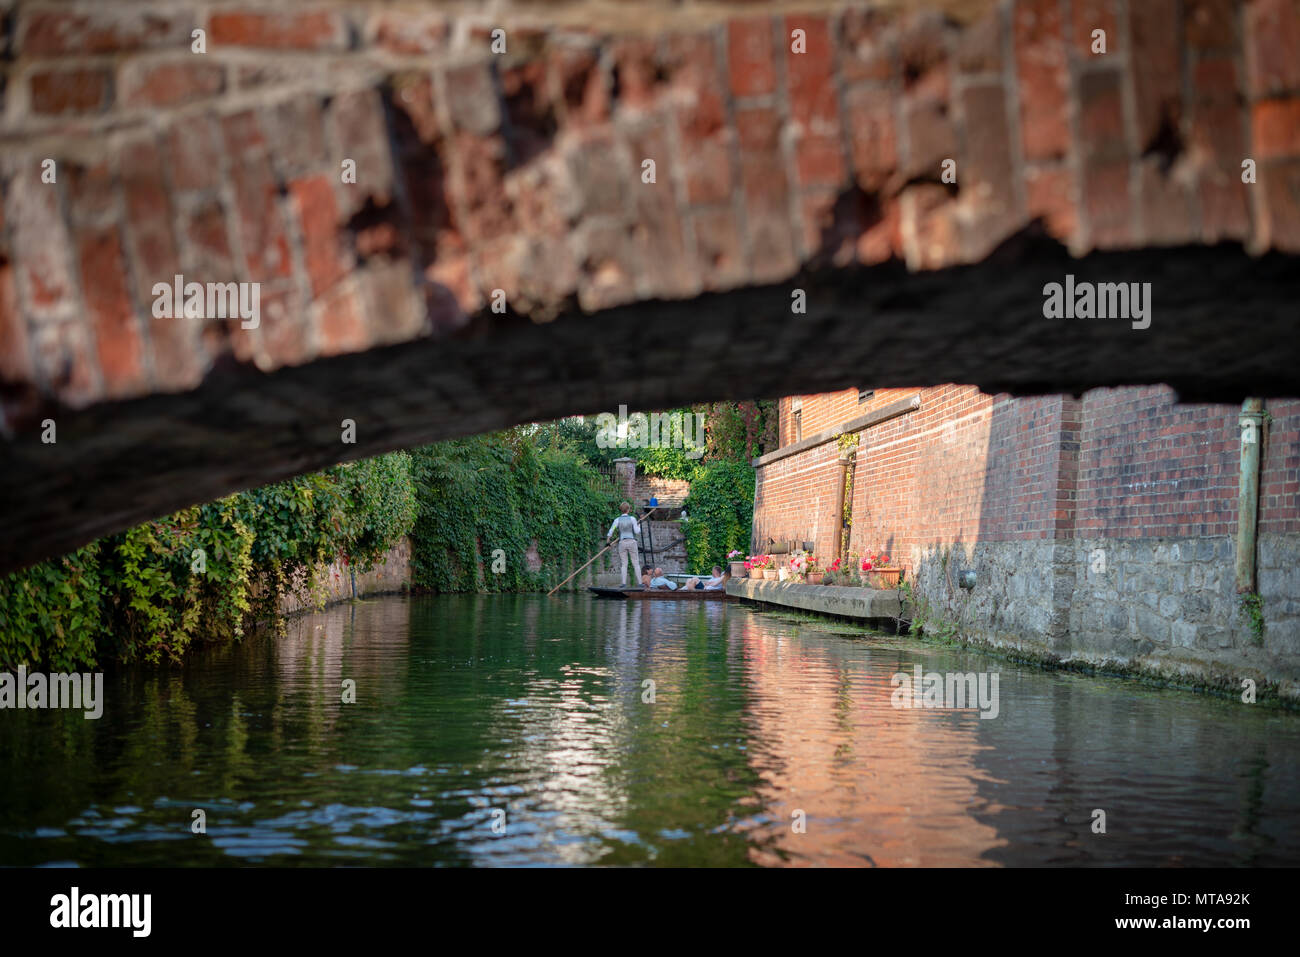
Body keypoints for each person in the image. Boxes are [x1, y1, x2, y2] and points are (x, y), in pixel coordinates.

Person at [606, 501, 642, 587]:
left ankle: (623, 583)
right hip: (632, 542)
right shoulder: (633, 519)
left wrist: (608, 541)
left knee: (624, 564)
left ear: (621, 510)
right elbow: (637, 532)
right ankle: (640, 584)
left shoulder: (617, 520)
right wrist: (639, 524)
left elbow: (612, 529)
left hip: (622, 542)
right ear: (628, 510)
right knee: (636, 563)